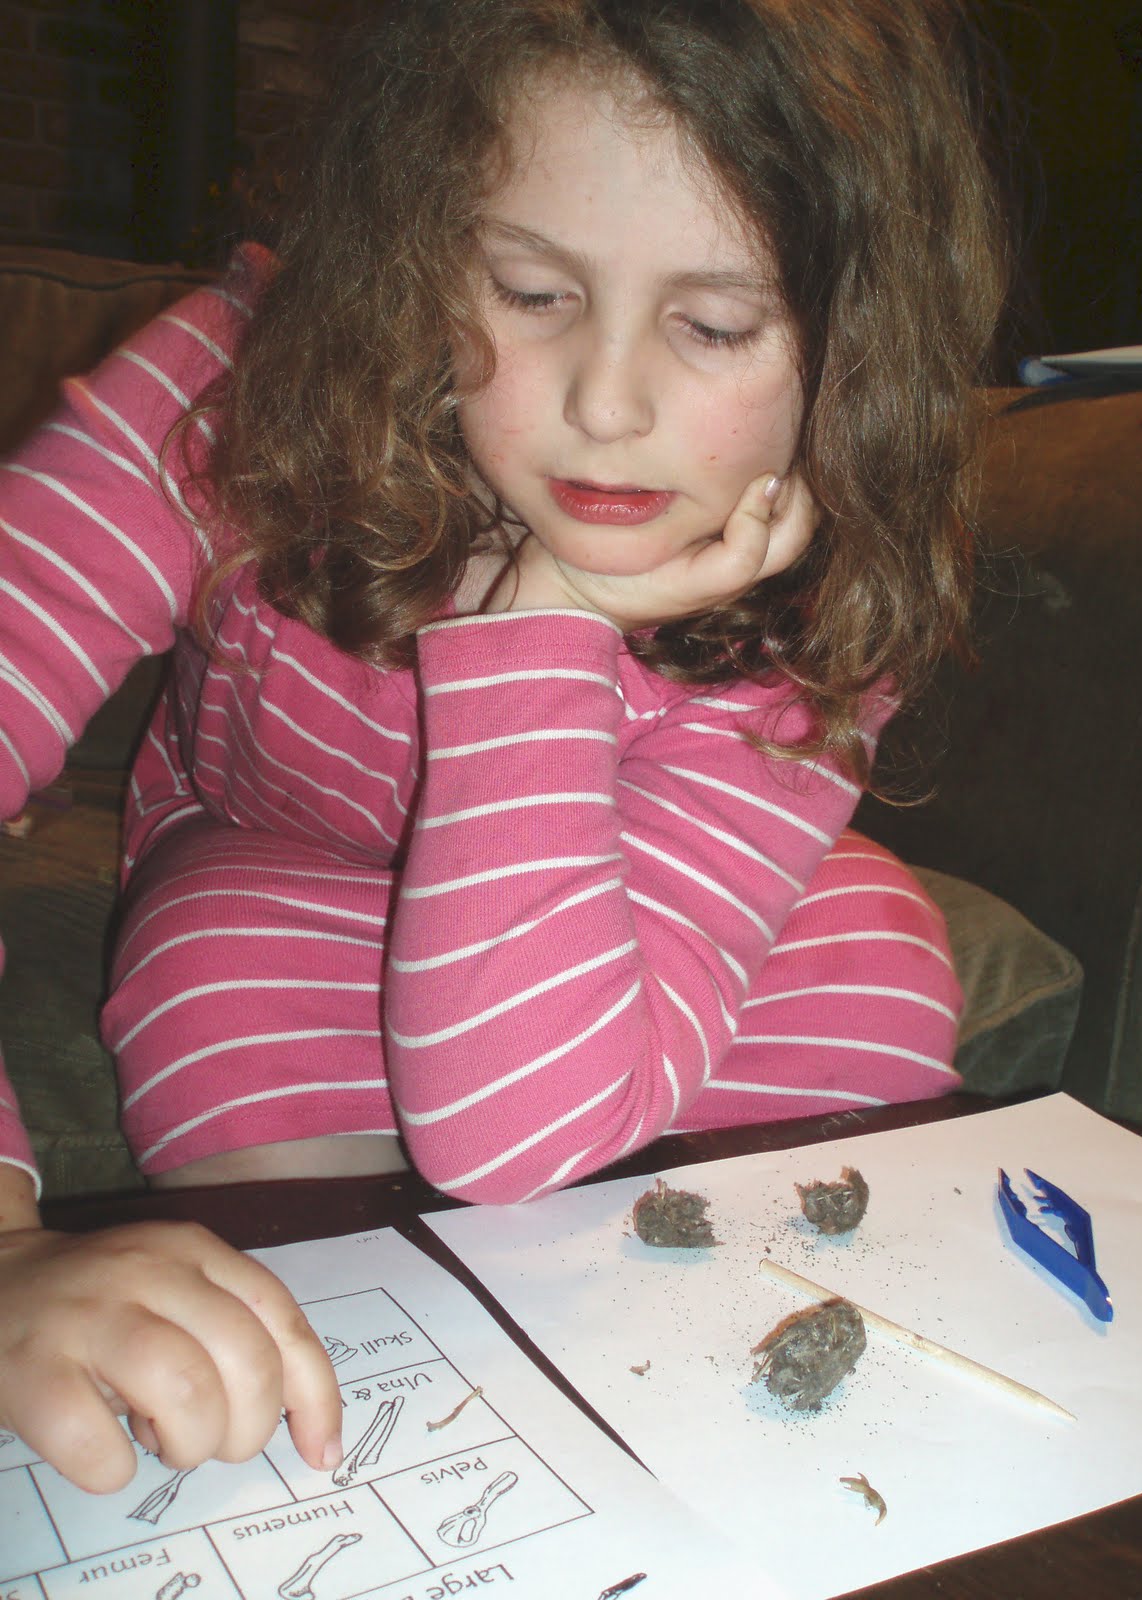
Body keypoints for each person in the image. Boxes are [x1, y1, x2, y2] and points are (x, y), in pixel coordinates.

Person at [0, 0, 1005, 1496]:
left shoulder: (821, 590)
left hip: (623, 916)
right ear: (412, 251)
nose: (607, 407)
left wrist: (540, 630)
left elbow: (511, 1134)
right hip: (287, 869)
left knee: (880, 960)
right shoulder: (233, 397)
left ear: (852, 350)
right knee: (212, 969)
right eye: (531, 292)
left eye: (717, 325)